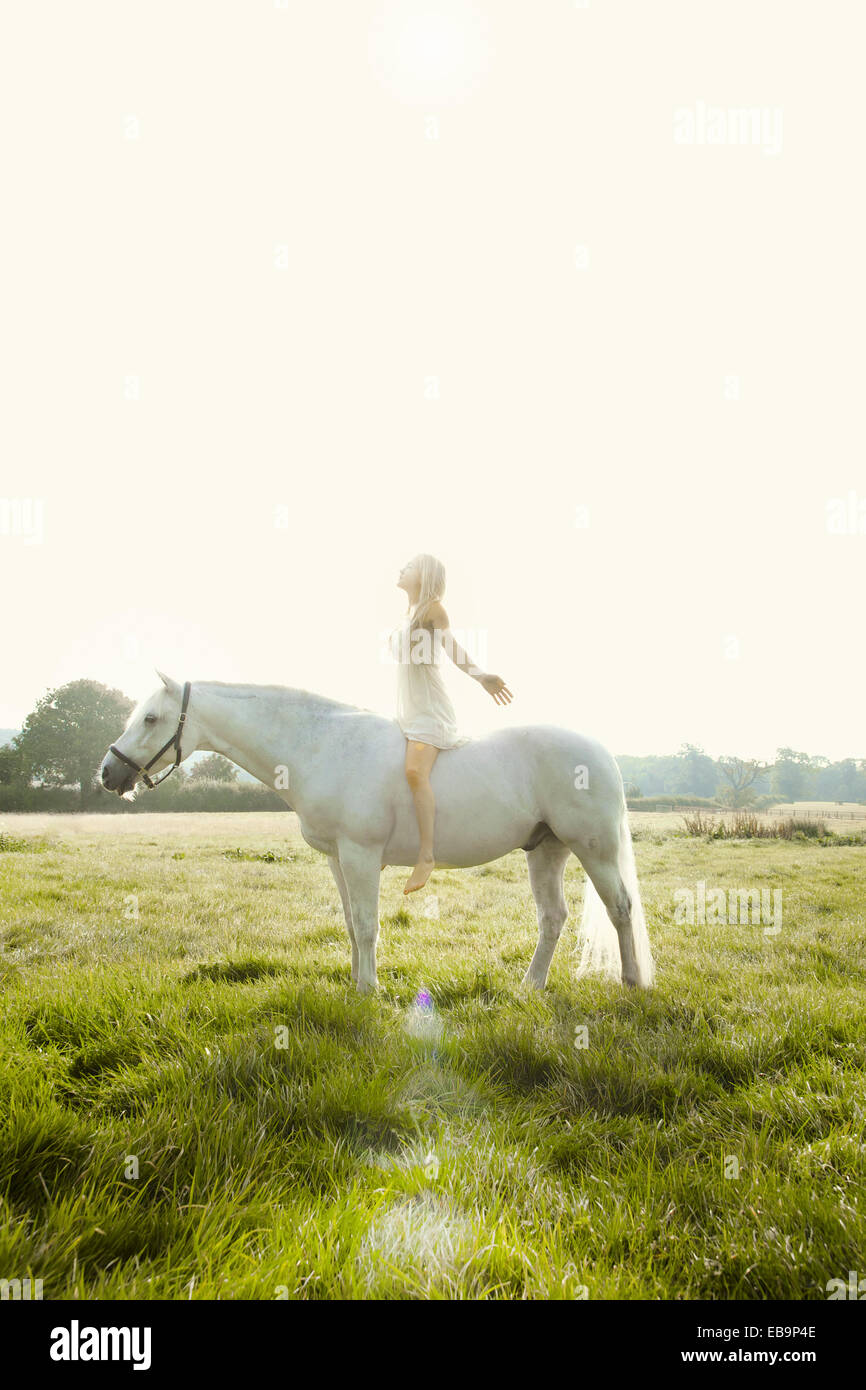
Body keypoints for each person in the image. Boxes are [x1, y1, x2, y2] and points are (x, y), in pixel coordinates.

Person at [390, 554, 512, 894]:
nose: (401, 569)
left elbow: (453, 648)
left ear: (424, 575)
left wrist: (481, 676)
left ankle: (427, 855)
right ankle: (391, 841)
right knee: (391, 769)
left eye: (409, 566)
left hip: (429, 709)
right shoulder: (407, 615)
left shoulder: (433, 609)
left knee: (414, 772)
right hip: (406, 708)